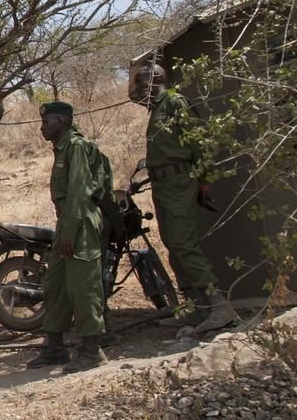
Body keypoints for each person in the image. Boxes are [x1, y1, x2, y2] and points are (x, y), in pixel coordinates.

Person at [131, 63, 235, 334]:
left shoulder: (175, 103)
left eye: (141, 84)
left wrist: (204, 185)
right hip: (163, 185)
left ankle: (218, 306)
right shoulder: (158, 109)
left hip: (179, 182)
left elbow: (198, 144)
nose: (139, 90)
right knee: (173, 245)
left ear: (155, 79)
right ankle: (195, 307)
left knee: (184, 244)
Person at [26, 102, 109, 372]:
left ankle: (92, 351)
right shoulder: (62, 148)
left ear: (61, 122)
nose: (41, 128)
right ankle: (55, 349)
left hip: (80, 222)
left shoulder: (77, 147)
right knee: (55, 285)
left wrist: (70, 231)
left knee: (83, 287)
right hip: (67, 222)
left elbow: (79, 192)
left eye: (46, 122)